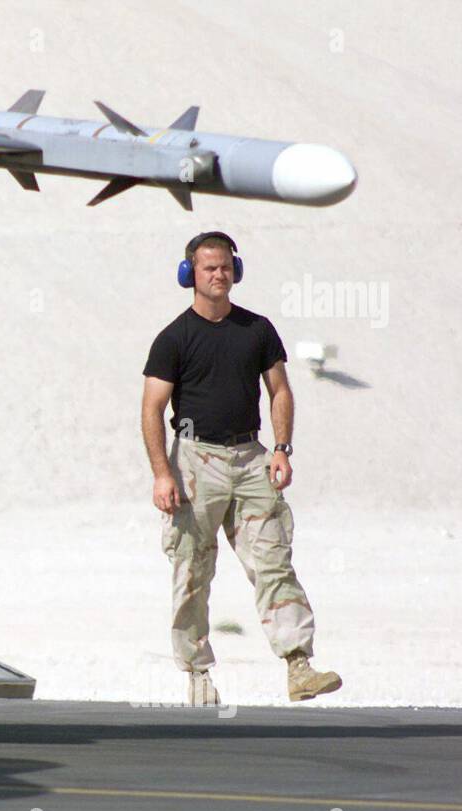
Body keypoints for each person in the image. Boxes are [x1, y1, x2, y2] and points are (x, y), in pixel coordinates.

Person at [140, 231, 341, 705]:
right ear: (190, 274)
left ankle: (298, 665)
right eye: (209, 267)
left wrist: (282, 449)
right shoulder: (174, 338)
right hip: (194, 461)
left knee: (273, 559)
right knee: (193, 568)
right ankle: (197, 673)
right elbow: (151, 409)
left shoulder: (257, 330)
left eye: (226, 266)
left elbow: (281, 391)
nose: (219, 275)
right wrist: (162, 474)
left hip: (250, 457)